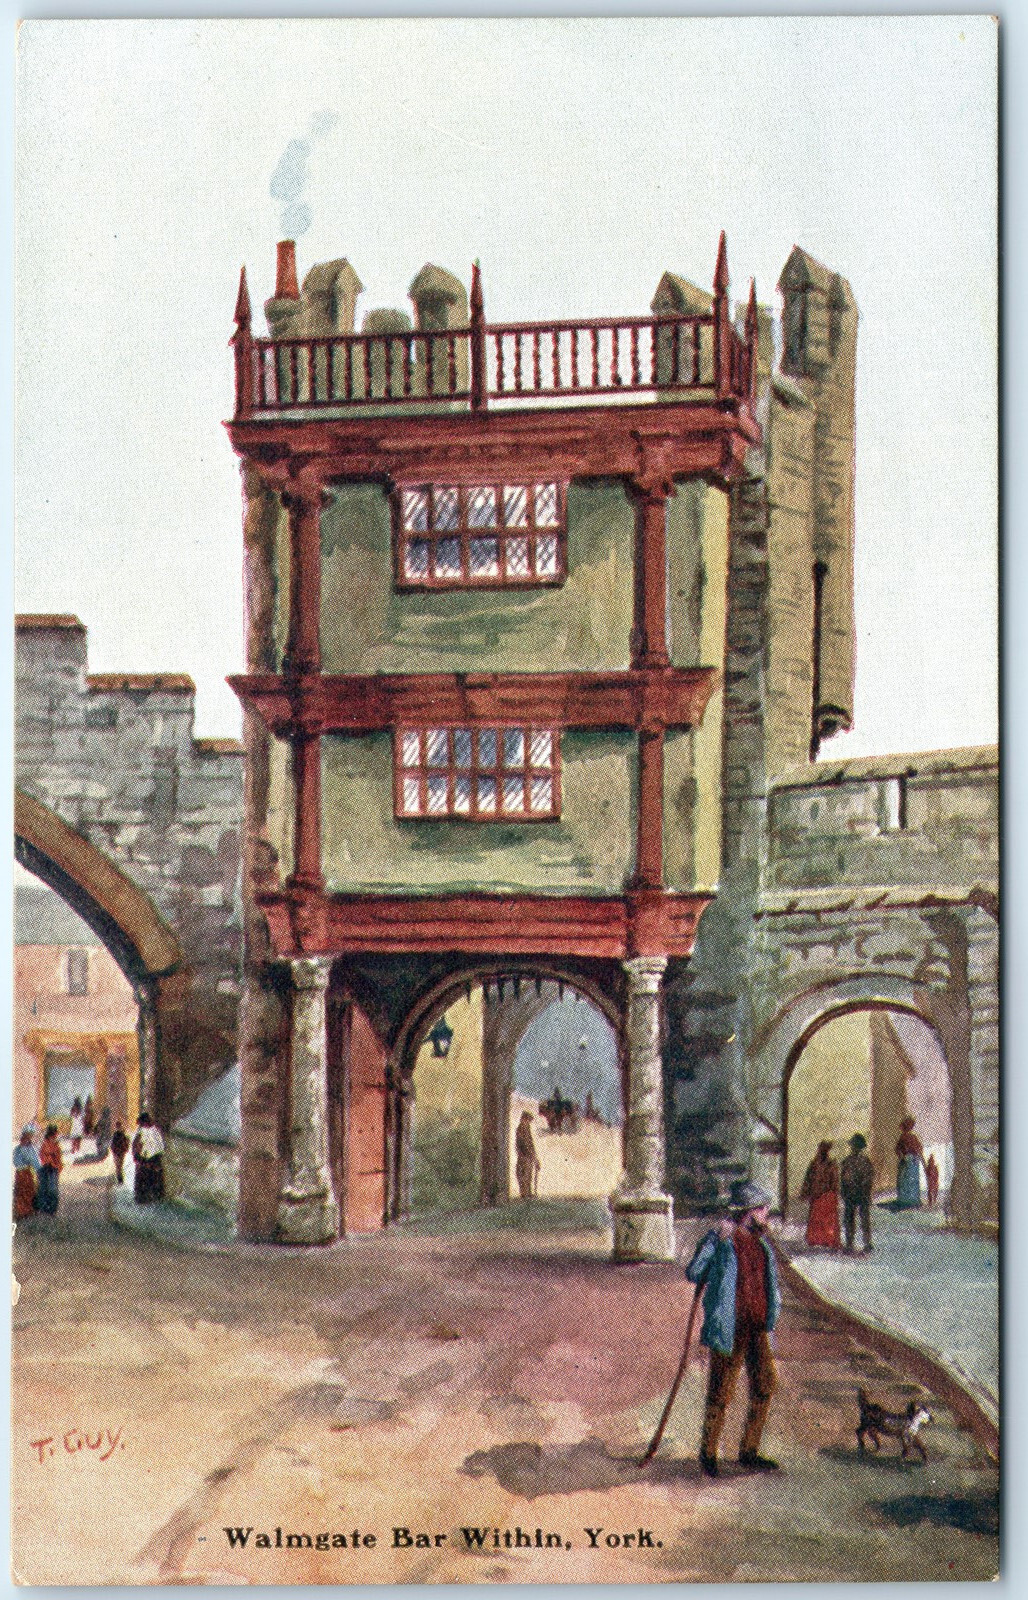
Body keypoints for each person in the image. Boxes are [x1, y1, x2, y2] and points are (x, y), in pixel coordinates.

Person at [685, 1178, 782, 1477]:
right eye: (762, 1208)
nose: (766, 1213)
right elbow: (694, 1272)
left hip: (757, 1328)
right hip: (730, 1326)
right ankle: (709, 1453)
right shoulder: (724, 1240)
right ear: (749, 1211)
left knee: (765, 1384)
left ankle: (749, 1451)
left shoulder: (763, 1245)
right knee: (721, 1390)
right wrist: (714, 1239)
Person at [798, 1140, 841, 1248]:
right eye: (821, 1149)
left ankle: (828, 1240)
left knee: (828, 1220)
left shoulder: (832, 1164)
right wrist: (805, 1193)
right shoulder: (814, 1164)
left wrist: (834, 1193)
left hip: (827, 1196)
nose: (822, 1152)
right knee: (816, 1219)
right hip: (816, 1195)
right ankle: (816, 1239)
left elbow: (835, 1181)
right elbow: (808, 1179)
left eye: (825, 1150)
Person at [840, 1133, 875, 1253]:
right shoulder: (862, 1161)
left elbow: (868, 1178)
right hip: (856, 1193)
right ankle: (855, 1244)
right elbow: (844, 1179)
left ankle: (862, 1244)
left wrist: (847, 1190)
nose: (853, 1148)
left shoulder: (851, 1161)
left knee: (858, 1219)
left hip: (857, 1193)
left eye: (854, 1146)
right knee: (855, 1219)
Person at [132, 1112, 165, 1204]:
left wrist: (153, 1161)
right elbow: (135, 1146)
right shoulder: (142, 1131)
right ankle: (143, 1199)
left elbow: (159, 1148)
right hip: (145, 1161)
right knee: (144, 1182)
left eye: (142, 1123)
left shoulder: (154, 1131)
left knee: (152, 1181)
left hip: (152, 1161)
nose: (141, 1125)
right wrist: (138, 1157)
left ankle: (153, 1200)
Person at [895, 1116, 925, 1208]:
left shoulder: (905, 1137)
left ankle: (906, 1200)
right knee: (910, 1180)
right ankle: (911, 1200)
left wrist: (902, 1156)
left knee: (906, 1180)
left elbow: (897, 1150)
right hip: (912, 1162)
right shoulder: (912, 1137)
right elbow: (919, 1150)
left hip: (909, 1162)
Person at [13, 1128, 41, 1220]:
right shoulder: (18, 1149)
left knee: (30, 1192)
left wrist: (38, 1170)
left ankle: (29, 1211)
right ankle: (21, 1212)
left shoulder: (31, 1148)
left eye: (30, 1137)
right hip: (22, 1173)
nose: (29, 1139)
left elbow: (36, 1161)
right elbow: (16, 1162)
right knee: (21, 1192)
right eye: (27, 1137)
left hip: (30, 1173)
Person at [36, 1125, 63, 1215]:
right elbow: (41, 1155)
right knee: (44, 1188)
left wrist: (57, 1167)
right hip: (44, 1167)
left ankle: (51, 1209)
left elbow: (58, 1157)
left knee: (52, 1189)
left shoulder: (56, 1144)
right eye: (55, 1133)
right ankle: (44, 1208)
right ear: (53, 1133)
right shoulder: (45, 1143)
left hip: (52, 1168)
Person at [514, 1111, 541, 1200]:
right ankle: (524, 1193)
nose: (529, 1122)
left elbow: (530, 1143)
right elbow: (523, 1143)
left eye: (529, 1121)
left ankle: (528, 1193)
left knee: (528, 1174)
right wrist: (530, 1154)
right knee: (523, 1174)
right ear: (523, 1119)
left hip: (528, 1155)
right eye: (528, 1120)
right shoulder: (520, 1128)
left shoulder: (527, 1128)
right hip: (523, 1155)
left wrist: (534, 1156)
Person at [110, 1119, 130, 1186]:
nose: (118, 1127)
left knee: (119, 1166)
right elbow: (113, 1144)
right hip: (118, 1151)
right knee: (118, 1166)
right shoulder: (117, 1134)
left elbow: (126, 1142)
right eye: (117, 1126)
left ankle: (120, 1179)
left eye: (118, 1126)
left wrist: (125, 1148)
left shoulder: (122, 1134)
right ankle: (120, 1180)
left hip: (120, 1151)